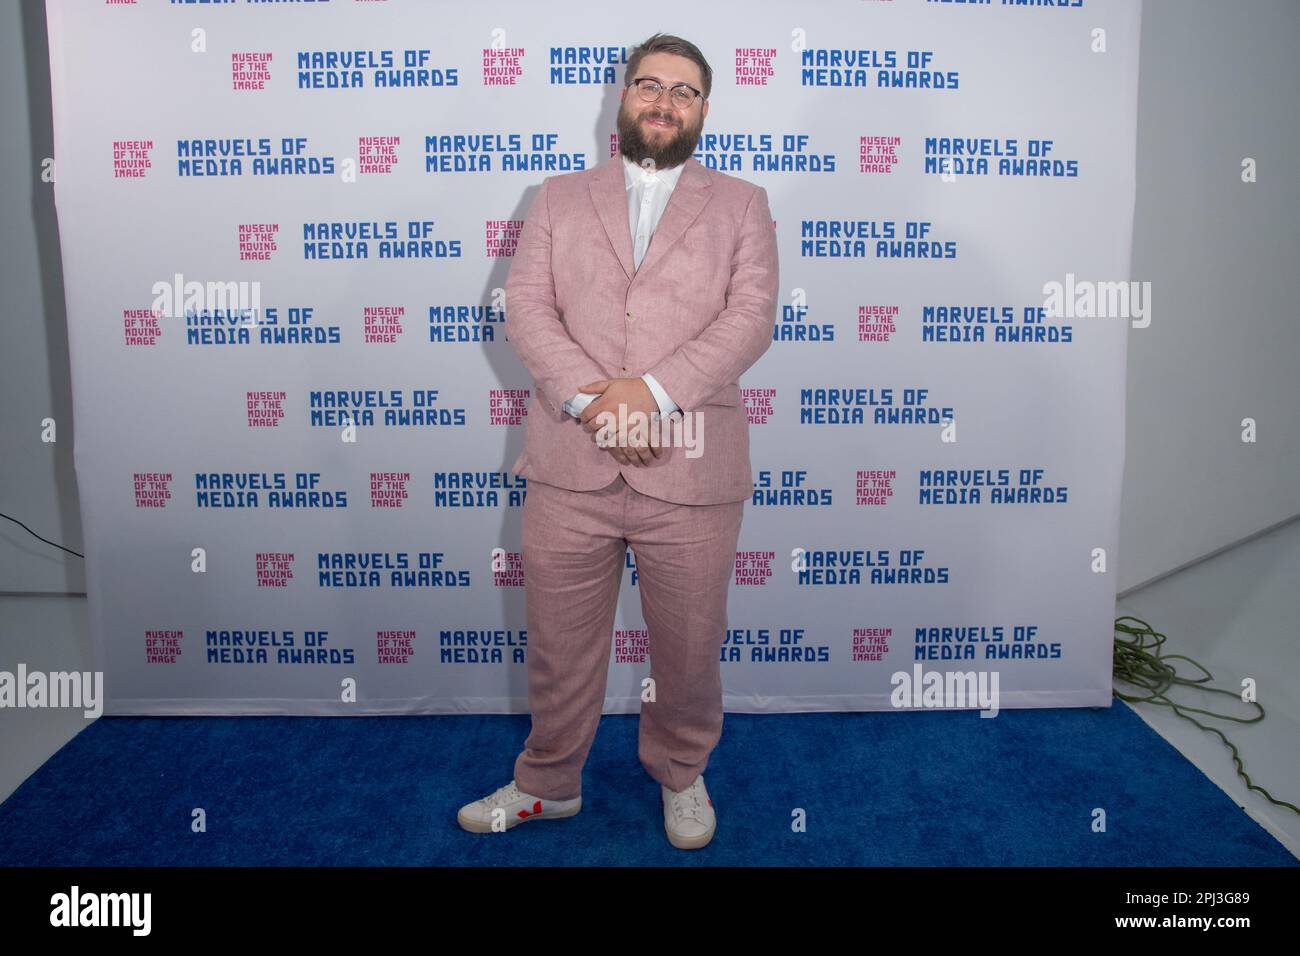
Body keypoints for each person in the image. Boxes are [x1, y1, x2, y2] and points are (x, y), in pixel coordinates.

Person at [458, 33, 779, 850]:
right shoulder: (558, 198)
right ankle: (549, 782)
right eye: (650, 85)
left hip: (694, 470)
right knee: (559, 648)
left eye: (686, 90)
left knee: (689, 648)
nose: (665, 101)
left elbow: (749, 321)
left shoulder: (744, 204)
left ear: (706, 108)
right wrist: (603, 406)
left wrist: (653, 395)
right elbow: (526, 309)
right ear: (623, 96)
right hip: (571, 467)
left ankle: (681, 774)